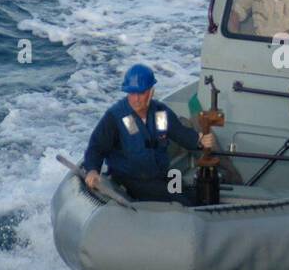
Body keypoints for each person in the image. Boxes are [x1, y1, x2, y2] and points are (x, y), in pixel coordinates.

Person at [81, 63, 216, 204]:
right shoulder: (115, 116)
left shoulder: (160, 113)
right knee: (182, 203)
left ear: (151, 92)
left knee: (195, 197)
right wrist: (92, 170)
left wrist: (199, 140)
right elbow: (96, 147)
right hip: (131, 180)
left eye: (141, 93)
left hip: (162, 175)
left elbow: (179, 133)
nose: (136, 99)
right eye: (132, 93)